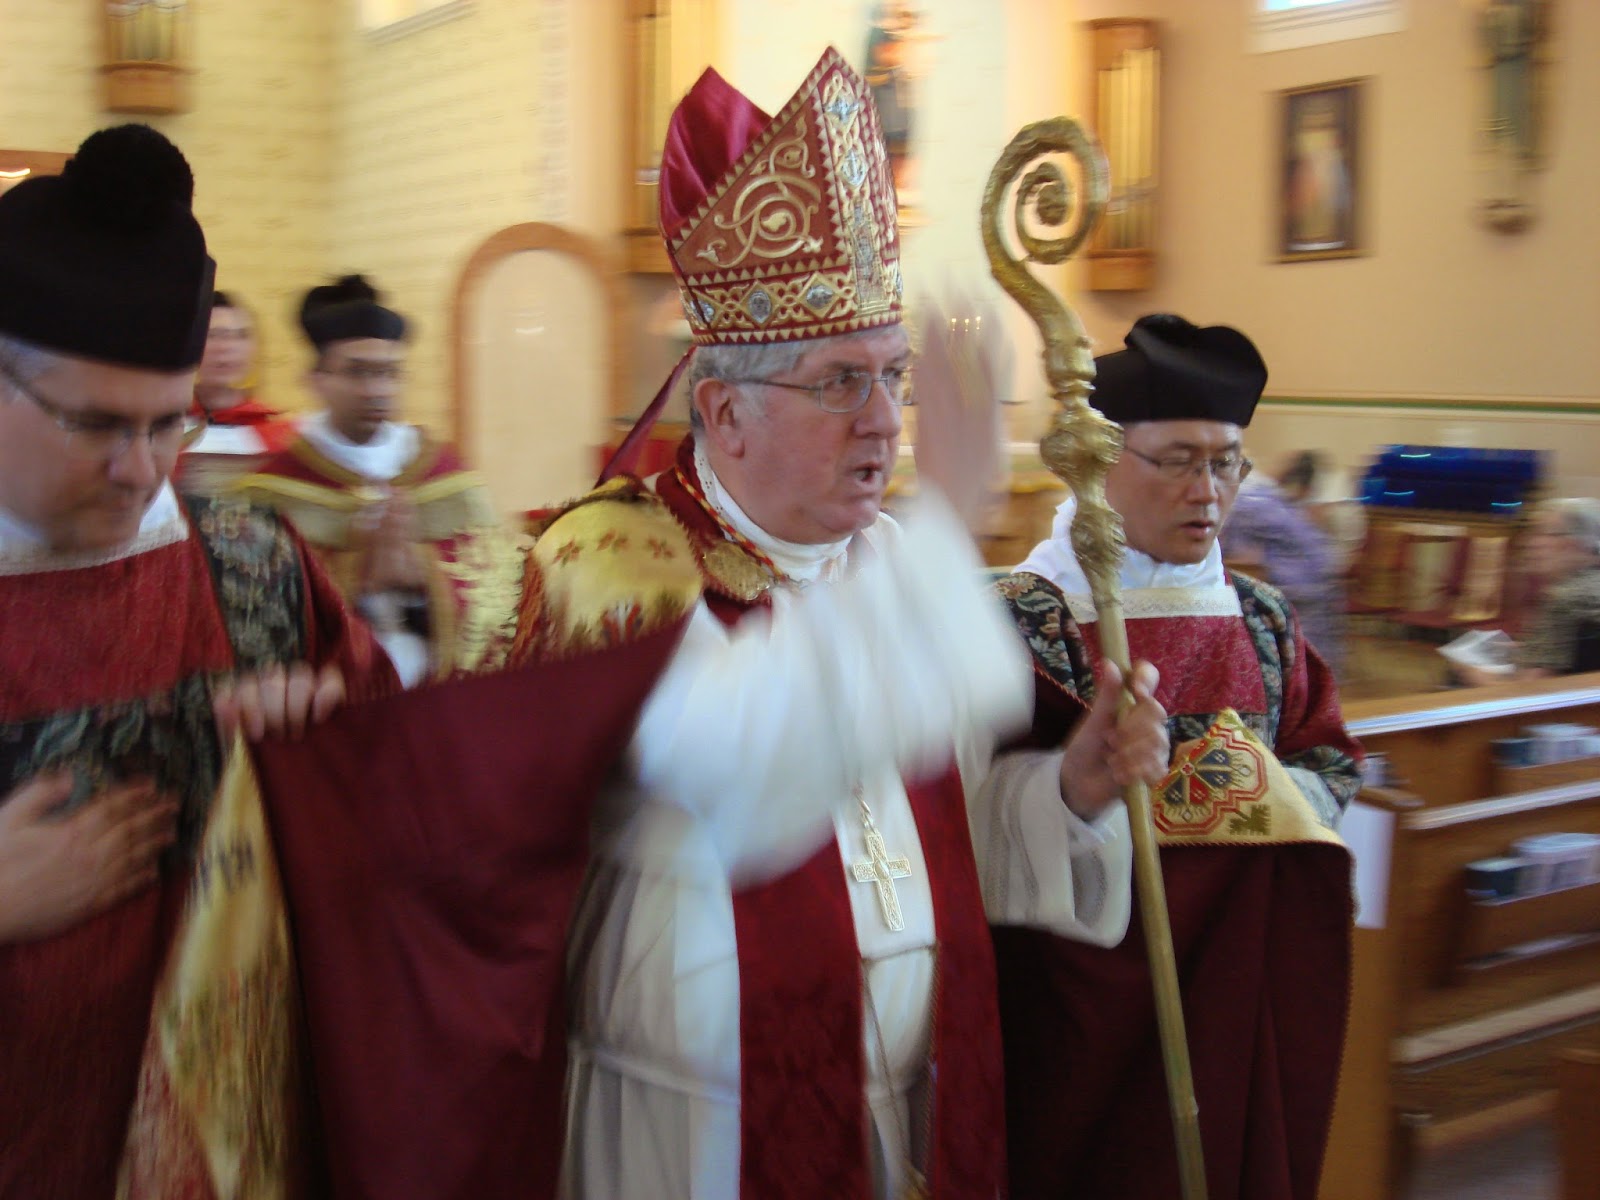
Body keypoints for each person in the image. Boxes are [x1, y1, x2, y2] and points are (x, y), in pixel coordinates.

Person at [536, 49, 1169, 1200]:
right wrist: (949, 525)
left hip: (911, 1116)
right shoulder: (615, 564)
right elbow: (737, 772)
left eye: (894, 377)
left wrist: (1065, 794)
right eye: (840, 383)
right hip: (696, 1140)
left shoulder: (882, 566)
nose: (884, 422)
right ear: (724, 412)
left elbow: (932, 840)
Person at [0, 124, 391, 1197]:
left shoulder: (255, 568)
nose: (140, 471)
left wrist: (322, 753)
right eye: (95, 424)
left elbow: (402, 794)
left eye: (168, 425)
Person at [993, 313, 1364, 1199]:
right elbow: (958, 808)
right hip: (1077, 1003)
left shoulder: (1264, 621)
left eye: (1228, 462)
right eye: (1178, 461)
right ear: (1097, 462)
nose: (1209, 491)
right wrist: (1072, 788)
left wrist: (1251, 791)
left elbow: (1330, 764)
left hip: (1235, 992)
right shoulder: (1024, 618)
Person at [238, 275, 515, 686]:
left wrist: (423, 576)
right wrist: (358, 577)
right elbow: (251, 613)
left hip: (438, 692)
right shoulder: (271, 491)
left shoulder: (446, 473)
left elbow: (501, 586)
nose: (375, 390)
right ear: (317, 380)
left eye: (389, 373)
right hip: (335, 698)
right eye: (357, 373)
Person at [1221, 448, 1347, 673]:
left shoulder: (1252, 502)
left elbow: (1236, 558)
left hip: (1295, 594)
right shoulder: (1277, 505)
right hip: (1315, 589)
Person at [1454, 497, 1600, 684]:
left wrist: (1468, 669)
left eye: (1543, 533)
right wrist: (1532, 648)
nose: (1529, 543)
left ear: (1575, 543)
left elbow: (1527, 690)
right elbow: (1578, 655)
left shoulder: (1564, 600)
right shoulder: (1590, 588)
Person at [176, 290, 297, 496]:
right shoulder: (162, 428)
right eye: (213, 335)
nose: (227, 347)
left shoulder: (285, 437)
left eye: (242, 335)